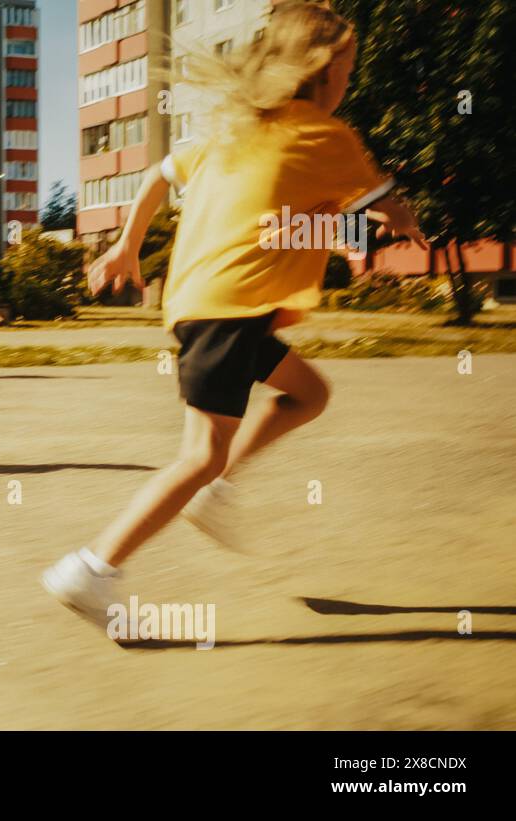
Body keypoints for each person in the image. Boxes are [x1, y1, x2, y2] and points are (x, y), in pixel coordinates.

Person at [42, 1, 427, 625]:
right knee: (199, 455)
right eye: (349, 71)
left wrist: (126, 244)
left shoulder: (236, 126)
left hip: (209, 305)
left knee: (307, 394)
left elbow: (159, 174)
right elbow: (385, 205)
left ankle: (215, 491)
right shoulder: (329, 137)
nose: (349, 84)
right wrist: (402, 220)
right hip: (229, 309)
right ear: (323, 72)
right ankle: (91, 569)